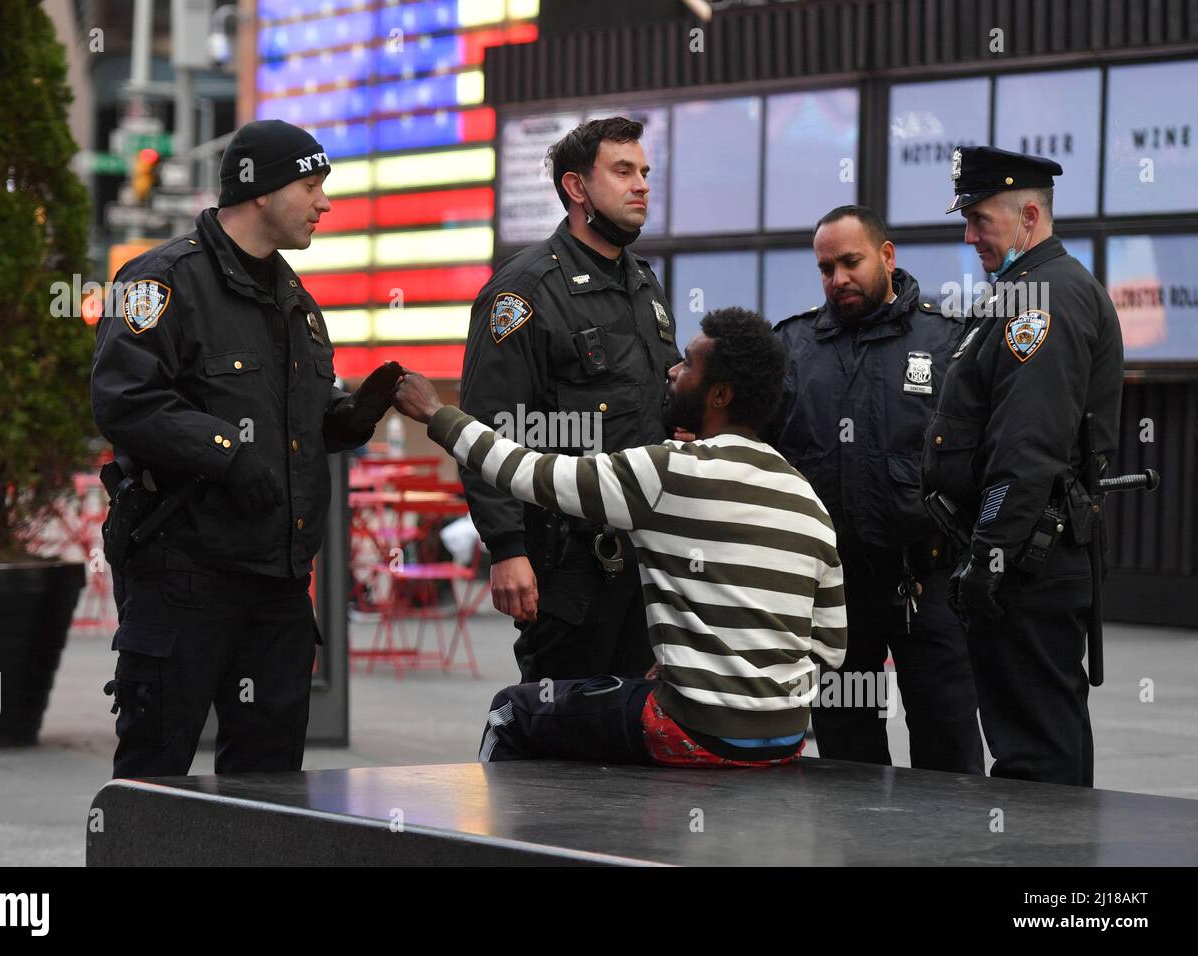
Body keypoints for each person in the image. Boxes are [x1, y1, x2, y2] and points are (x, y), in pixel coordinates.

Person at [394, 308, 847, 767]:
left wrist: (436, 413)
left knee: (512, 713)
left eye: (688, 364)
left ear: (720, 394)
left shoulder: (668, 472)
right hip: (786, 738)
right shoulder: (805, 498)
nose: (671, 371)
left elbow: (529, 473)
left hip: (694, 730)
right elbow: (830, 647)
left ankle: (516, 842)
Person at [91, 119, 402, 778]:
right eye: (312, 184)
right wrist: (226, 450)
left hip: (278, 588)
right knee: (154, 785)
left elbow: (298, 427)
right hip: (184, 580)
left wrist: (352, 417)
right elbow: (126, 400)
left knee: (269, 791)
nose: (325, 202)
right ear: (260, 189)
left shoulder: (297, 302)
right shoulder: (160, 280)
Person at [922, 145, 1124, 787]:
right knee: (1033, 740)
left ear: (1029, 216)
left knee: (1035, 756)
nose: (969, 234)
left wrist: (991, 556)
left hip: (1028, 561)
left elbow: (1026, 447)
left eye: (980, 218)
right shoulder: (1023, 291)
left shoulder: (1042, 301)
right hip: (1028, 555)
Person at [458, 117, 682, 684]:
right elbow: (488, 429)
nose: (642, 186)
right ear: (576, 187)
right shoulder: (525, 291)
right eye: (623, 171)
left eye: (645, 172)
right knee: (559, 745)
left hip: (649, 561)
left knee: (640, 740)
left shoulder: (644, 285)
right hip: (568, 563)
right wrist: (507, 548)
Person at [770, 206, 983, 775]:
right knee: (844, 753)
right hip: (833, 591)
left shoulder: (948, 343)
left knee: (948, 745)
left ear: (886, 257)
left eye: (850, 262)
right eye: (825, 268)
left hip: (929, 582)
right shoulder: (792, 349)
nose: (837, 279)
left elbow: (981, 462)